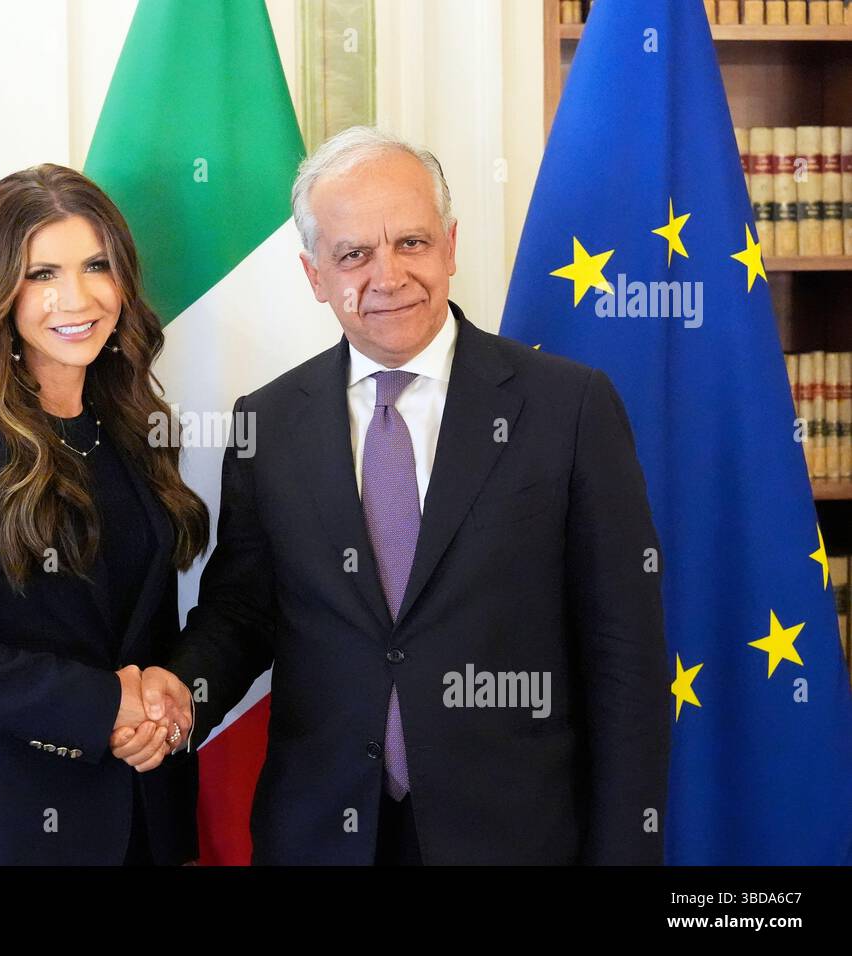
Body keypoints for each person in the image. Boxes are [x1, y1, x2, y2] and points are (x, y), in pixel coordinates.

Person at [120, 126, 670, 865]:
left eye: (410, 243)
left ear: (449, 244)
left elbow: (625, 661)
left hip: (515, 837)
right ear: (316, 275)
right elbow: (244, 610)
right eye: (354, 254)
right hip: (323, 835)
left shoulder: (568, 409)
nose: (388, 275)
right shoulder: (268, 421)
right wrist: (180, 693)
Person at [0, 163, 204, 865]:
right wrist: (97, 706)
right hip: (5, 823)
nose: (75, 296)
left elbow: (141, 629)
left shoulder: (138, 426)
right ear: (0, 291)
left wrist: (161, 705)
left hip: (145, 817)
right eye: (43, 273)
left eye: (96, 266)